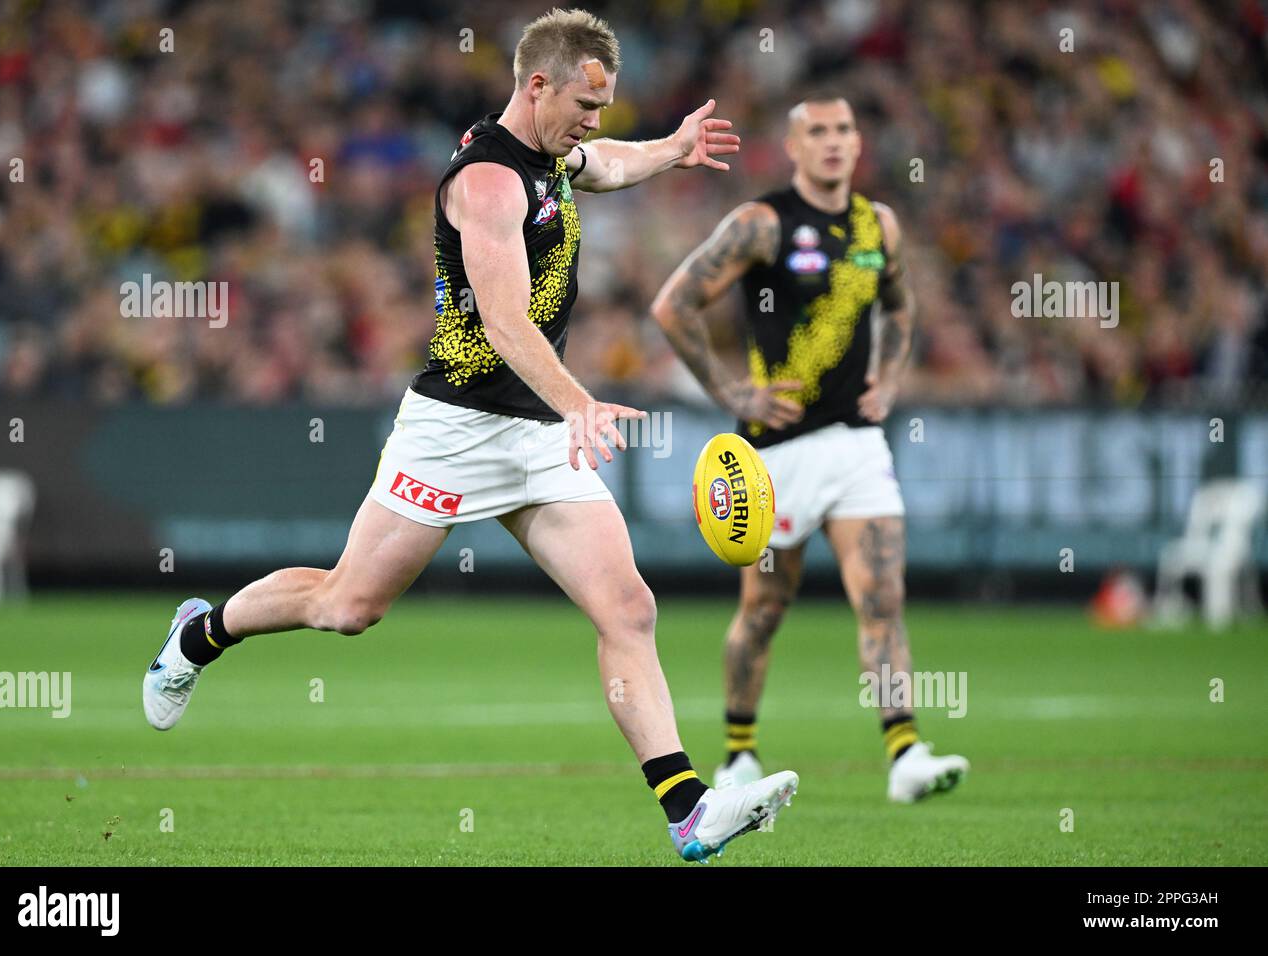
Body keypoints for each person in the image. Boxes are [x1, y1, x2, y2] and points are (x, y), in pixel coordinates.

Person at [142, 8, 797, 862]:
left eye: (604, 106)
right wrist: (580, 405)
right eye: (587, 105)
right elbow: (504, 322)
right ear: (537, 85)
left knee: (629, 608)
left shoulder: (556, 154)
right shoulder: (487, 180)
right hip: (453, 429)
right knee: (349, 607)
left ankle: (688, 810)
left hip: (534, 433)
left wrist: (671, 149)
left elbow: (606, 163)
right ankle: (199, 633)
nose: (595, 122)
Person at [650, 92, 969, 803]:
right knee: (763, 611)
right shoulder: (760, 224)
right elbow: (673, 304)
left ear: (859, 144)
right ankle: (738, 753)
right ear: (793, 148)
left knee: (882, 598)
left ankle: (905, 751)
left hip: (856, 445)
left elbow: (901, 304)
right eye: (817, 131)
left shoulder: (877, 224)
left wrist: (888, 378)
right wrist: (731, 393)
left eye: (845, 129)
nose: (833, 142)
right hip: (777, 453)